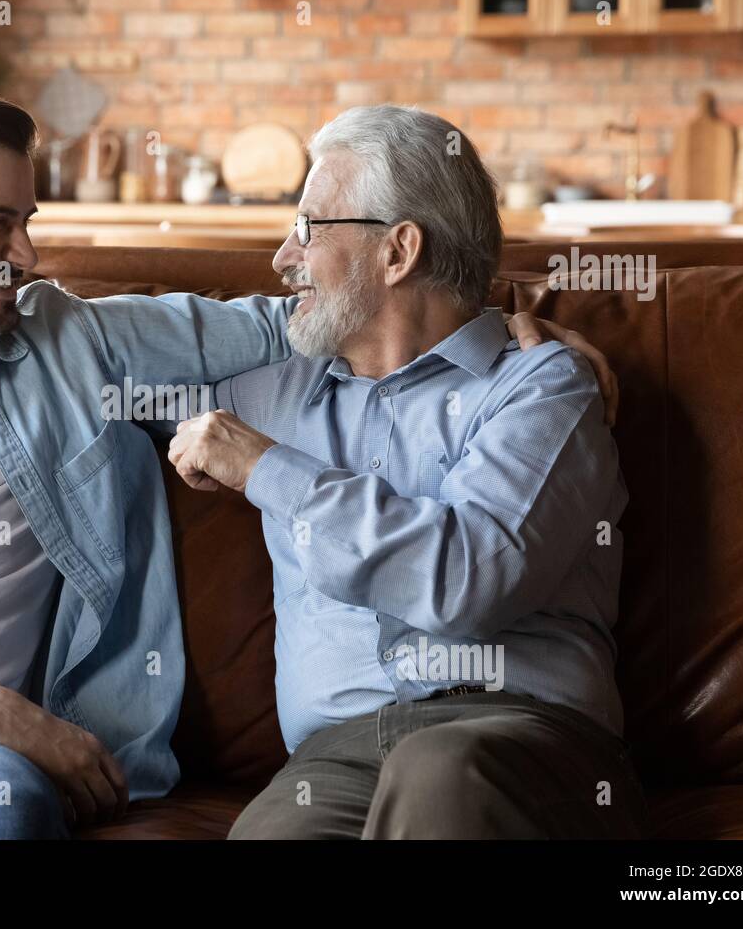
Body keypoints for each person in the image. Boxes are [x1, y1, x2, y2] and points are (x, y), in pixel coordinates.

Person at [0, 88, 615, 839]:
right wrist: (5, 713)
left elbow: (334, 316)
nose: (32, 255)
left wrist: (507, 305)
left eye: (29, 220)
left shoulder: (79, 348)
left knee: (7, 811)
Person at [168, 105, 646, 839]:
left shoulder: (543, 388)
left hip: (521, 738)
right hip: (333, 761)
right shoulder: (266, 391)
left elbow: (467, 580)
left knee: (440, 776)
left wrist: (265, 467)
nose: (281, 258)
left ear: (398, 251)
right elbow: (79, 359)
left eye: (308, 227)